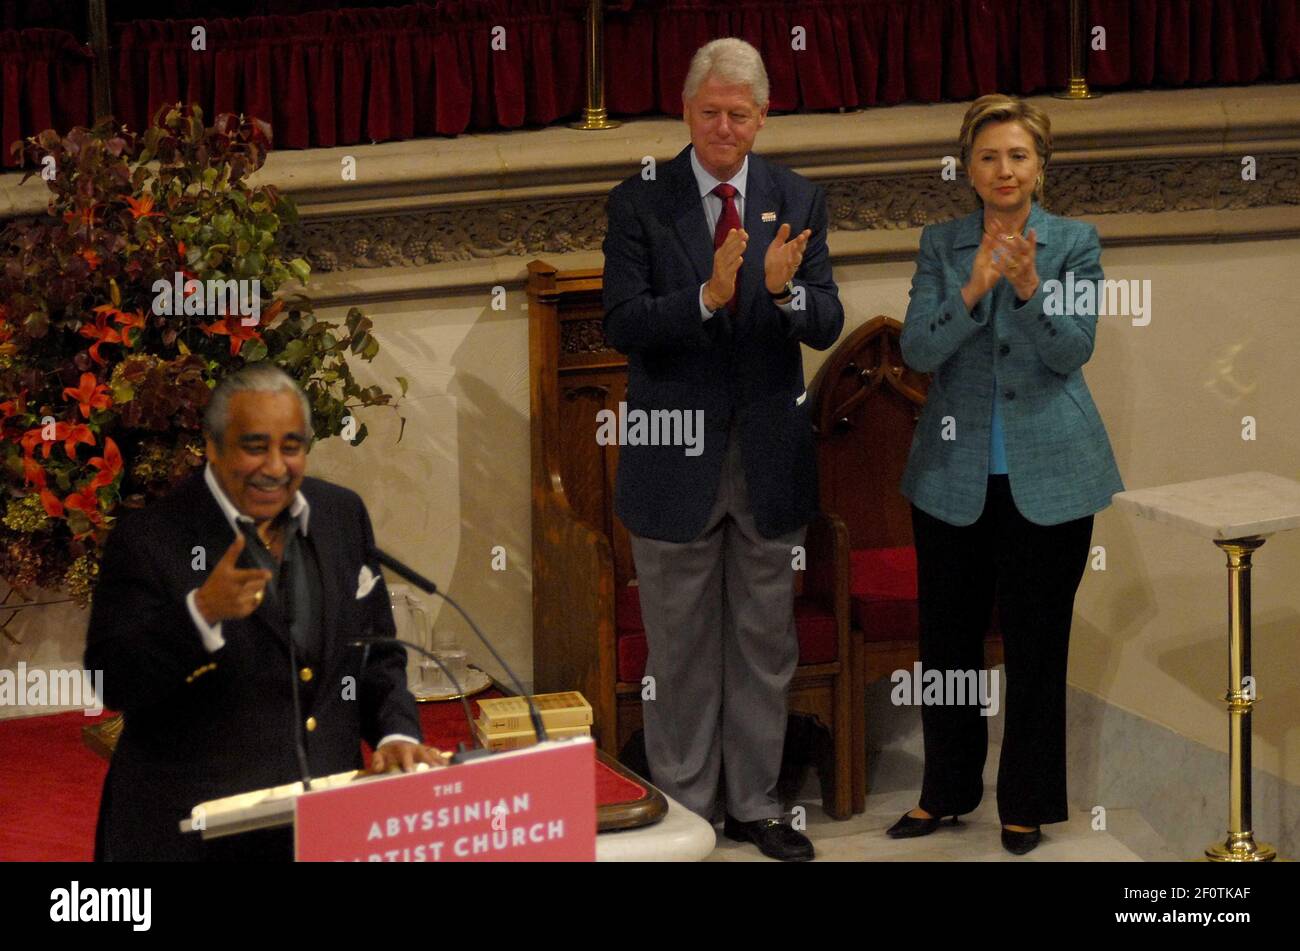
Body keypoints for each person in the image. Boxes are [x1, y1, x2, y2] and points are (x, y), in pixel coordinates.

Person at [602, 38, 844, 862]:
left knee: (764, 644)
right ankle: (685, 808)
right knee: (679, 653)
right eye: (711, 112)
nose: (725, 126)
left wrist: (781, 291)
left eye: (740, 114)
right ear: (687, 111)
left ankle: (755, 801)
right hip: (674, 464)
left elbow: (827, 319)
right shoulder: (639, 201)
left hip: (769, 462)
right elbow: (623, 322)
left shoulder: (797, 197)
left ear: (763, 117)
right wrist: (704, 297)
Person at [85, 363, 445, 860]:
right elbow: (112, 682)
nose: (275, 466)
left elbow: (375, 653)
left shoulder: (341, 514)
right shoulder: (151, 538)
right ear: (212, 447)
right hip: (193, 836)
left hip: (323, 828)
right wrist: (201, 612)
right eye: (255, 446)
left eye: (291, 447)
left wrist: (395, 732)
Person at [889, 94, 1124, 855]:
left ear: (1041, 167)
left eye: (1018, 156)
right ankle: (945, 791)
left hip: (1050, 475)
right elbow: (919, 351)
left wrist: (1026, 288)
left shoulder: (1075, 244)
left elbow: (1072, 348)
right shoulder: (941, 243)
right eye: (988, 156)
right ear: (967, 168)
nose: (1003, 170)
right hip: (951, 475)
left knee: (1036, 644)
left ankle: (1024, 804)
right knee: (948, 643)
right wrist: (975, 287)